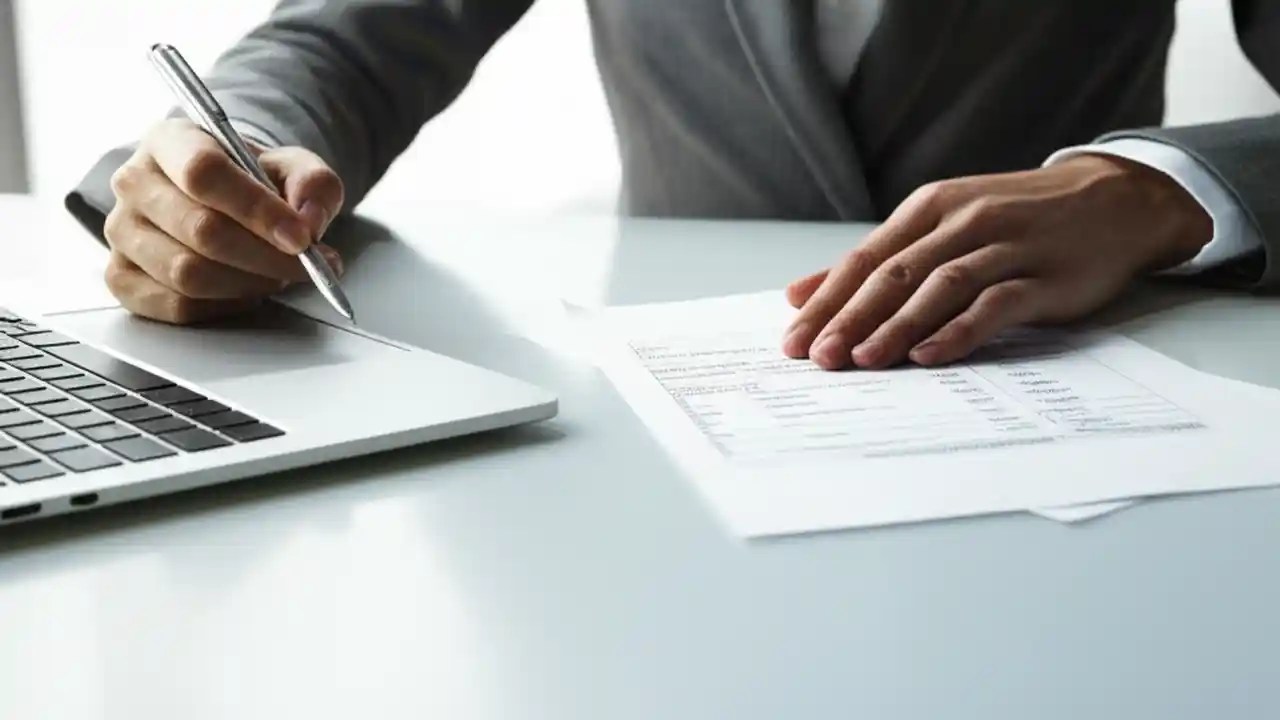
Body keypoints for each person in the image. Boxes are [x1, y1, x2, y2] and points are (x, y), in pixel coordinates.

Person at [67, 1, 1280, 371]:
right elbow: (346, 44)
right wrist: (231, 154)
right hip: (678, 406)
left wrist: (1151, 192)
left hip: (1084, 379)